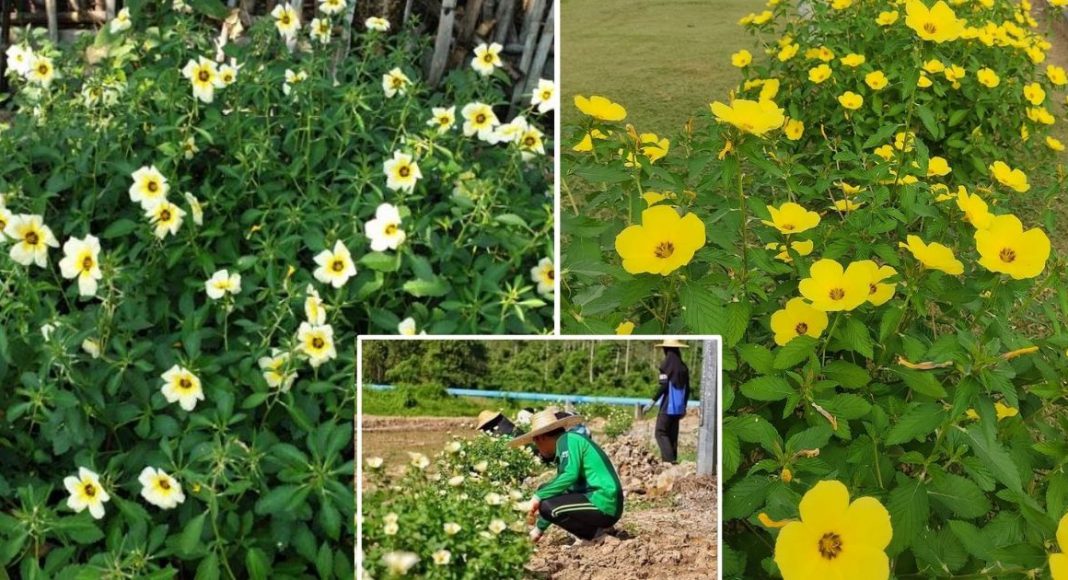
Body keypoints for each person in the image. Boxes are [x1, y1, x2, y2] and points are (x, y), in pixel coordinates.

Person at [510, 410, 624, 545]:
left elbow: (570, 475)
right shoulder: (566, 443)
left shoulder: (567, 440)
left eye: (536, 444)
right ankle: (597, 530)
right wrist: (537, 530)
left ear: (540, 438)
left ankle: (594, 536)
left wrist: (537, 497)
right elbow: (562, 490)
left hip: (604, 501)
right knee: (546, 491)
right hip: (598, 500)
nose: (538, 450)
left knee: (547, 504)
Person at [646, 339, 691, 464]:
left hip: (667, 406)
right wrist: (684, 406)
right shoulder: (683, 367)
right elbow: (688, 389)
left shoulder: (666, 365)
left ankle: (669, 461)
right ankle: (674, 459)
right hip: (679, 408)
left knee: (660, 432)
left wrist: (652, 401)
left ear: (666, 349)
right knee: (672, 433)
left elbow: (664, 386)